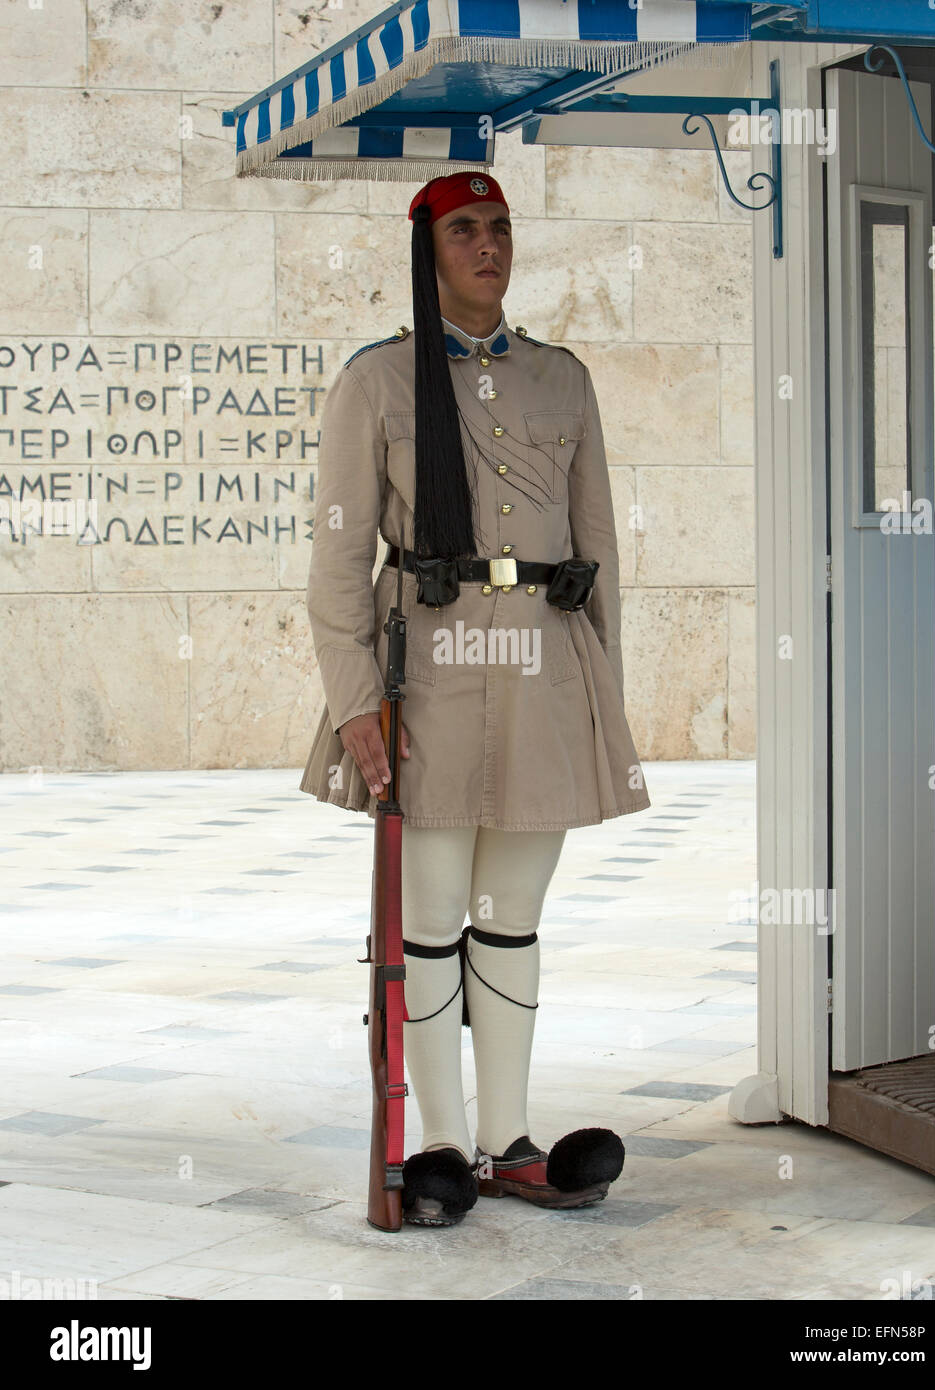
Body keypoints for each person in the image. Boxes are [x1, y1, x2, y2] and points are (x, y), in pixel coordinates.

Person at [300, 170, 651, 1225]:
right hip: (434, 676)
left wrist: (604, 697)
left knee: (513, 919)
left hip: (547, 672)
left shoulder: (561, 378)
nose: (489, 246)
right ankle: (444, 1141)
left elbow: (599, 552)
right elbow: (336, 564)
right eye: (466, 231)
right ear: (428, 250)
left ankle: (510, 1139)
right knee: (436, 916)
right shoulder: (378, 383)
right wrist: (358, 701)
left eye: (500, 228)